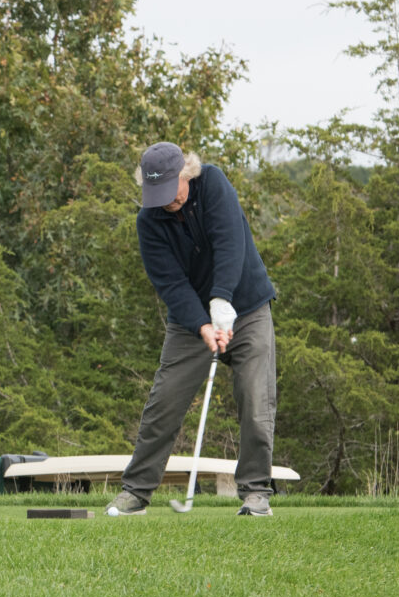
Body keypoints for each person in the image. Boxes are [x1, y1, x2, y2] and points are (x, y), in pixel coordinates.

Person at [107, 142, 279, 518]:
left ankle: (255, 493)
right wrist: (203, 324)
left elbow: (230, 243)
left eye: (173, 190)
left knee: (255, 398)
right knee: (164, 400)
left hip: (247, 307)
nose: (168, 201)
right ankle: (135, 492)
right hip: (191, 321)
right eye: (158, 195)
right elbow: (170, 284)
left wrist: (222, 300)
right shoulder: (149, 222)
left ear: (188, 173)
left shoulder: (213, 183)